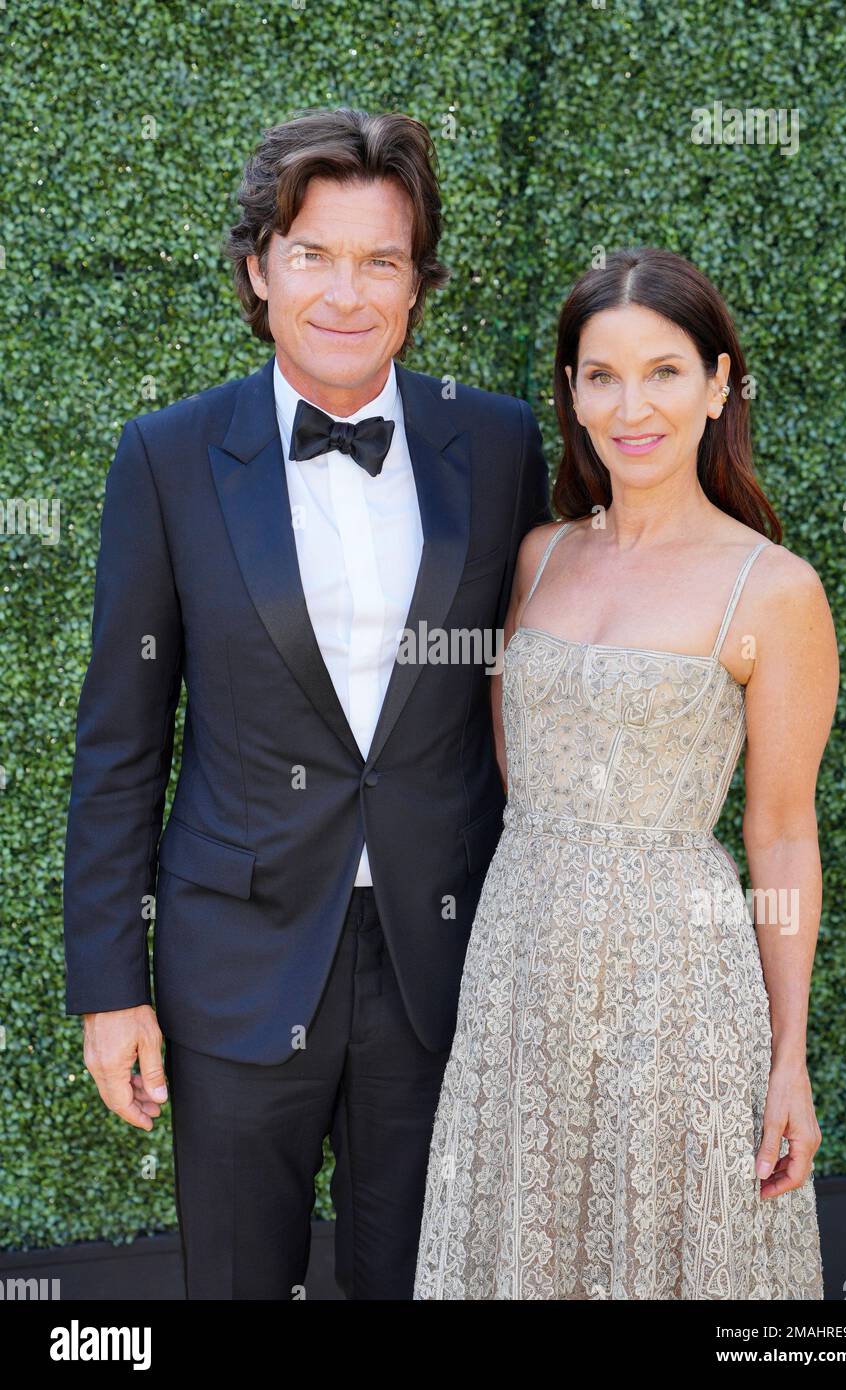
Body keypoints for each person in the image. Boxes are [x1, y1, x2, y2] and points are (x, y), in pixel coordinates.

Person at [62, 106, 551, 1300]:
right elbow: (121, 741)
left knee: (424, 1281)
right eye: (312, 255)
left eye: (380, 259)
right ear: (258, 271)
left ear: (418, 285)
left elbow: (525, 694)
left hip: (440, 960)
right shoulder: (169, 456)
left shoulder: (493, 445)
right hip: (236, 958)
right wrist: (109, 986)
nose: (346, 292)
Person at [414, 246, 837, 1299]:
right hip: (518, 965)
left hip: (679, 985)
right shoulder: (541, 556)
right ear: (571, 392)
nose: (630, 404)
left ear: (717, 384)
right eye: (601, 374)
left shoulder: (773, 588)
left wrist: (788, 1057)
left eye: (663, 371)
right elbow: (518, 768)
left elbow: (781, 832)